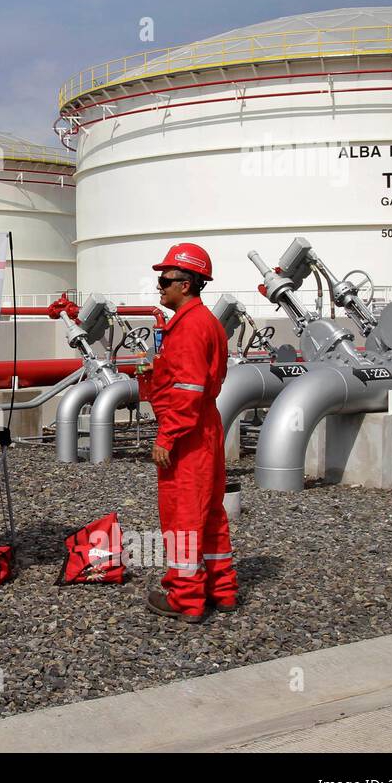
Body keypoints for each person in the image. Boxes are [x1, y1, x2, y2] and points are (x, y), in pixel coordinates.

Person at [142, 242, 237, 623]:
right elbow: (203, 380)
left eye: (165, 280)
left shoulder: (189, 328)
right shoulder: (207, 324)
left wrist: (167, 436)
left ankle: (187, 599)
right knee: (210, 514)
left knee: (183, 518)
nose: (160, 287)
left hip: (188, 434)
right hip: (205, 427)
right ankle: (222, 590)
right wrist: (157, 375)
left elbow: (189, 390)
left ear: (187, 283)